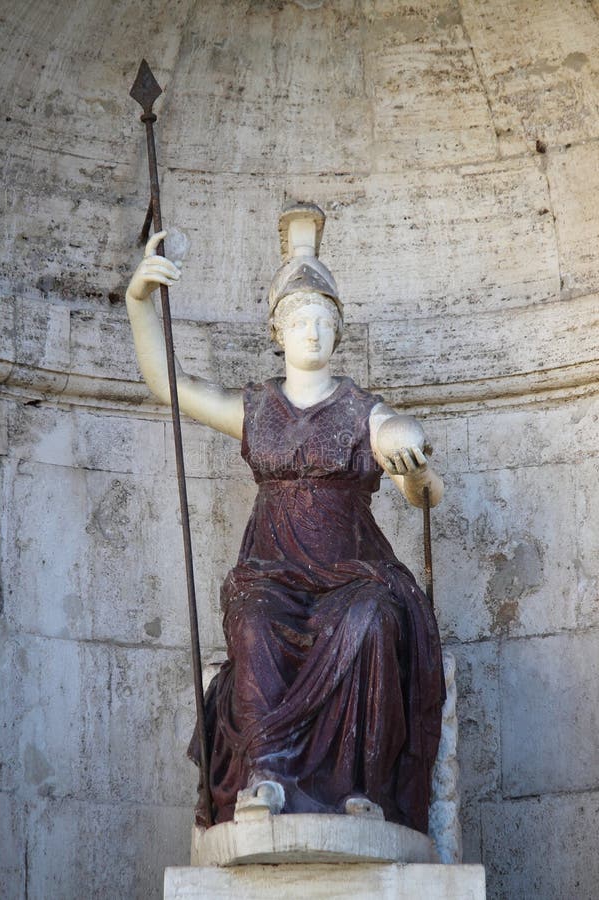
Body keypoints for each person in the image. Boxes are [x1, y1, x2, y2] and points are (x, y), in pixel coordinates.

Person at [125, 201, 445, 835]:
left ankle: (360, 788)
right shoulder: (257, 409)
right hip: (272, 570)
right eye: (300, 319)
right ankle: (265, 776)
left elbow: (422, 487)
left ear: (339, 330)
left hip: (352, 571)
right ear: (277, 331)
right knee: (253, 618)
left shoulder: (362, 410)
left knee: (371, 620)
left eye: (324, 320)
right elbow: (169, 384)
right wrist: (139, 300)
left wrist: (411, 466)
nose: (313, 332)